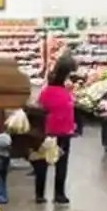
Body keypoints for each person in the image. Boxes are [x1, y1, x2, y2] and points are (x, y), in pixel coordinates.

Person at [35, 65, 76, 204]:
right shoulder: (66, 93)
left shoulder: (46, 92)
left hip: (47, 131)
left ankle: (40, 195)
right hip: (64, 132)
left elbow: (40, 108)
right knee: (61, 163)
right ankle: (59, 194)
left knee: (42, 162)